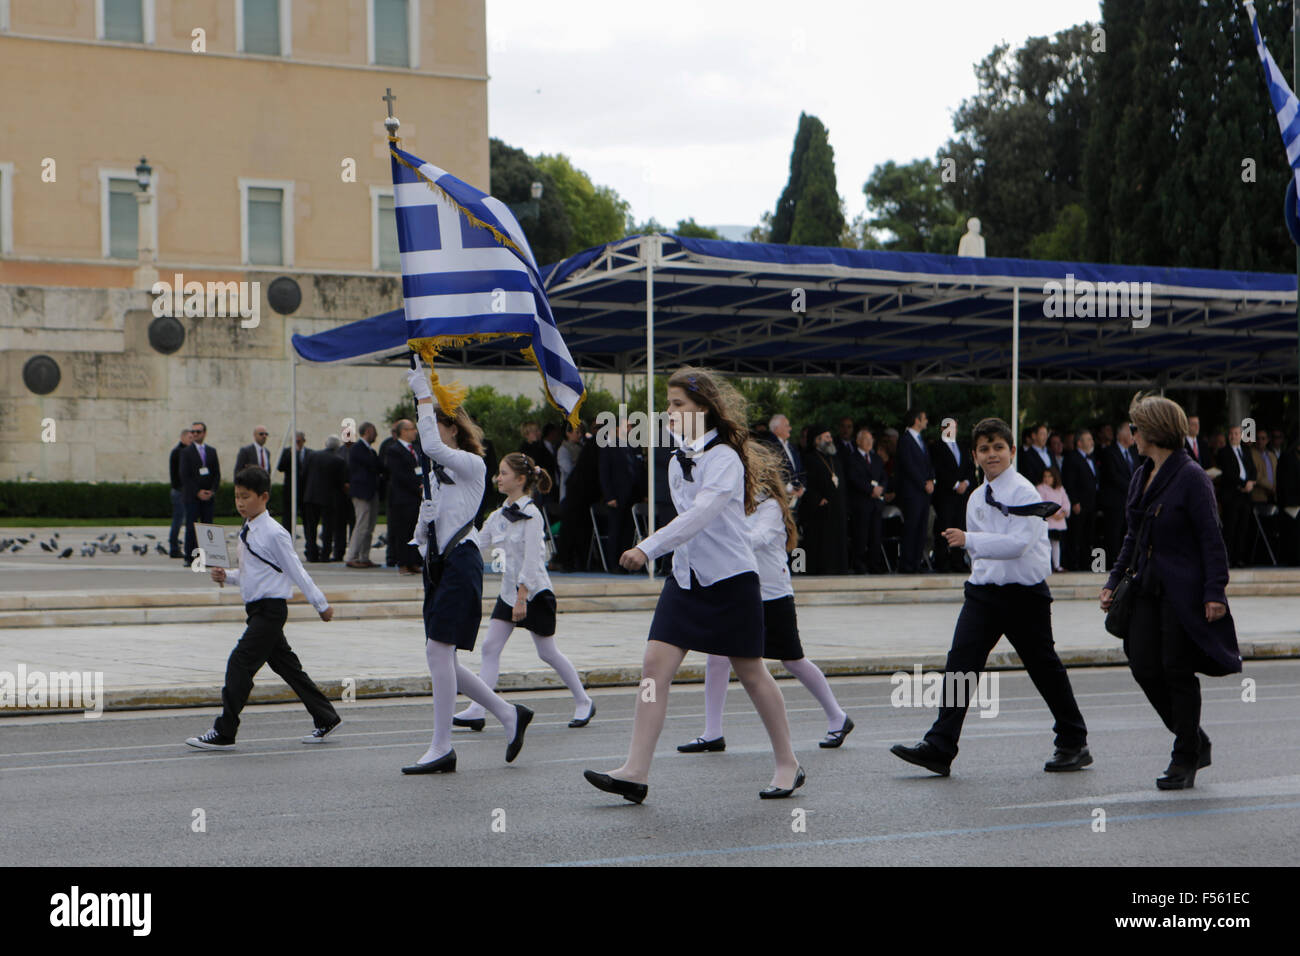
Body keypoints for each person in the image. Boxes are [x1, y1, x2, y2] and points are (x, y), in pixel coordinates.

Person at [583, 367, 804, 803]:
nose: (670, 411)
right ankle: (635, 770)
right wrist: (665, 554)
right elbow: (687, 523)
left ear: (703, 410)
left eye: (678, 404)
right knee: (653, 669)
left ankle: (787, 763)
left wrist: (647, 547)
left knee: (753, 673)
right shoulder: (675, 459)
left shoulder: (724, 457)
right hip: (685, 582)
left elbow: (700, 515)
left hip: (731, 581)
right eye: (668, 404)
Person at [890, 417, 1090, 776]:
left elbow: (1018, 544)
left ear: (1012, 451)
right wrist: (975, 550)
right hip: (984, 594)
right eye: (984, 448)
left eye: (998, 447)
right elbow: (980, 555)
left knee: (1044, 668)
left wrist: (970, 540)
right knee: (959, 667)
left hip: (1025, 596)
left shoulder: (1027, 493)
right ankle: (940, 745)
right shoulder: (977, 498)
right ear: (975, 455)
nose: (992, 454)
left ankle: (1073, 740)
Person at [1100, 394, 1241, 790]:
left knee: (1176, 669)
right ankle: (1194, 738)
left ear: (1155, 431)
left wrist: (1215, 592)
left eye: (1136, 427)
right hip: (1145, 587)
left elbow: (1212, 539)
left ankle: (1184, 755)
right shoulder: (1141, 473)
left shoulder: (1192, 477)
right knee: (1142, 663)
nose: (1132, 433)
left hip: (1183, 593)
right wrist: (1113, 581)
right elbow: (1133, 535)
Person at [400, 358, 533, 774]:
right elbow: (427, 527)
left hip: (462, 562)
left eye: (436, 423)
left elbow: (432, 446)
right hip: (438, 565)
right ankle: (509, 714)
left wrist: (424, 393)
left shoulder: (473, 465)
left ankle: (442, 747)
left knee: (438, 651)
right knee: (442, 657)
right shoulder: (436, 474)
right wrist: (423, 523)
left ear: (453, 428)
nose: (428, 433)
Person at [679, 446, 853, 752]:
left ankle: (838, 716)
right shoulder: (739, 506)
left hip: (773, 596)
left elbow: (755, 540)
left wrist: (723, 528)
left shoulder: (771, 507)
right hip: (740, 592)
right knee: (717, 657)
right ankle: (712, 732)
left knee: (792, 660)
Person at [185, 466, 340, 750]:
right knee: (289, 668)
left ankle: (225, 731)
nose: (240, 503)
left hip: (270, 611)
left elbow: (296, 570)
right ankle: (326, 716)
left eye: (246, 497)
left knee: (239, 663)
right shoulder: (248, 530)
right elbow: (251, 575)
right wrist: (227, 576)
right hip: (257, 610)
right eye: (236, 497)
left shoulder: (273, 532)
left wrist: (321, 604)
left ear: (264, 496)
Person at [453, 453, 595, 730]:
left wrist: (522, 598)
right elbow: (477, 545)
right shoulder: (498, 516)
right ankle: (477, 708)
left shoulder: (531, 515)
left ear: (520, 480)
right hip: (508, 593)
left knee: (547, 653)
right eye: (499, 472)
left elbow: (533, 561)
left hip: (535, 594)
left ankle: (584, 701)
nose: (498, 477)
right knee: (490, 647)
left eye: (504, 473)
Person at [800, 424, 848, 574]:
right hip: (820, 509)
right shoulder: (809, 459)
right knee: (821, 542)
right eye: (827, 437)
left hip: (837, 508)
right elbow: (806, 482)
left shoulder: (835, 459)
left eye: (830, 436)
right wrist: (817, 499)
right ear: (817, 440)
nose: (830, 439)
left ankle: (839, 568)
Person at [931, 418, 975, 573]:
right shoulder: (937, 447)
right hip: (946, 495)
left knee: (960, 526)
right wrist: (955, 484)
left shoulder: (962, 447)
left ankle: (957, 560)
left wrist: (966, 483)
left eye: (954, 427)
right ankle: (941, 561)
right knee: (944, 527)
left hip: (962, 496)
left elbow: (970, 467)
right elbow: (938, 469)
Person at [597, 421, 643, 571]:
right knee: (615, 530)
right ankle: (613, 563)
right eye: (627, 426)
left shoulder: (632, 445)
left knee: (628, 530)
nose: (630, 429)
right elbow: (604, 473)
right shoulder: (608, 446)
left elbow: (637, 469)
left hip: (632, 496)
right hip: (616, 496)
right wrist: (609, 496)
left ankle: (625, 564)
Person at [896, 408, 935, 573]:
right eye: (924, 418)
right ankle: (907, 563)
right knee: (911, 527)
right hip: (912, 492)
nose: (926, 421)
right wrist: (922, 483)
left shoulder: (920, 440)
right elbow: (908, 466)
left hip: (924, 493)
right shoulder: (905, 440)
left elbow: (928, 463)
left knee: (921, 528)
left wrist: (931, 479)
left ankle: (916, 561)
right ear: (917, 420)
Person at [845, 424, 888, 574]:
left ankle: (874, 564)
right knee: (861, 536)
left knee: (876, 536)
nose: (870, 442)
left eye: (871, 439)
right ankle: (859, 564)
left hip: (876, 503)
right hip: (861, 503)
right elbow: (854, 478)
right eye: (866, 439)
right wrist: (871, 490)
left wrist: (881, 488)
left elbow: (883, 476)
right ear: (858, 441)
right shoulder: (852, 458)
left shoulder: (876, 458)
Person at [384, 419, 423, 573]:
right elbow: (399, 474)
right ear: (403, 432)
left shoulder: (417, 449)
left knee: (415, 529)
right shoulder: (394, 450)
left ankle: (414, 561)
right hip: (402, 497)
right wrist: (416, 486)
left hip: (415, 497)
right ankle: (403, 562)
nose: (415, 431)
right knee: (403, 531)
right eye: (412, 429)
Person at [179, 421, 221, 568]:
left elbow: (216, 473)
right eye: (193, 431)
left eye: (198, 431)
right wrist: (198, 492)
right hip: (192, 496)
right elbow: (185, 476)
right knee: (191, 526)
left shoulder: (211, 451)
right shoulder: (186, 452)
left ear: (204, 433)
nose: (195, 434)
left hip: (208, 496)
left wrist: (212, 490)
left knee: (207, 526)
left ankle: (208, 556)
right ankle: (190, 557)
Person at [1100, 421, 1140, 569]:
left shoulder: (1134, 452)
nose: (1134, 437)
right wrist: (1134, 486)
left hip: (1130, 502)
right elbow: (1113, 476)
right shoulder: (1109, 452)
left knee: (1128, 534)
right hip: (1115, 503)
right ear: (1122, 435)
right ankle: (1113, 565)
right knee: (1114, 535)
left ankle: (1128, 565)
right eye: (1131, 433)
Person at [1215, 424, 1257, 567]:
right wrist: (1242, 483)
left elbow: (1252, 469)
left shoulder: (1245, 451)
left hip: (1245, 497)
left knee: (1243, 527)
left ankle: (1240, 558)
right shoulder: (1223, 452)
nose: (1234, 436)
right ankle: (1229, 558)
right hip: (1232, 495)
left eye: (1237, 433)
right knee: (1230, 527)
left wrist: (1251, 482)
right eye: (1231, 433)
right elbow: (1227, 473)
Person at [345, 422, 382, 568]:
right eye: (374, 432)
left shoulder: (371, 451)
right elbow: (372, 465)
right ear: (367, 431)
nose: (376, 435)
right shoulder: (357, 448)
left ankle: (364, 556)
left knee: (369, 526)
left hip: (371, 492)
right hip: (362, 493)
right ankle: (352, 556)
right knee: (361, 525)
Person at [1062, 428, 1100, 571]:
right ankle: (1074, 565)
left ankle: (1086, 564)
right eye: (1088, 440)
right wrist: (1074, 501)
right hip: (1079, 504)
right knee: (1076, 535)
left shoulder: (1091, 457)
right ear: (1079, 443)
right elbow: (1069, 482)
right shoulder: (1072, 457)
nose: (1092, 442)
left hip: (1091, 503)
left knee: (1088, 536)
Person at [764, 414, 805, 503]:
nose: (790, 428)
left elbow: (800, 469)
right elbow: (774, 471)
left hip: (796, 497)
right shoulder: (770, 445)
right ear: (776, 428)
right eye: (786, 426)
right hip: (781, 497)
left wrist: (801, 487)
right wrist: (789, 489)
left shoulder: (791, 447)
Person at [1037, 466, 1070, 573]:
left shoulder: (1060, 489)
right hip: (1047, 521)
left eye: (1049, 476)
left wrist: (1064, 512)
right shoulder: (1040, 488)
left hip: (1058, 522)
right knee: (1045, 545)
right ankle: (1046, 565)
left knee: (1056, 544)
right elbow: (1041, 503)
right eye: (1045, 476)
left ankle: (1057, 565)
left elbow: (1065, 502)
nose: (1047, 479)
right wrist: (1052, 513)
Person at [276, 431, 308, 536]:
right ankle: (287, 535)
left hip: (305, 490)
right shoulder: (286, 452)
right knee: (288, 516)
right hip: (290, 489)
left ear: (304, 441)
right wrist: (291, 453)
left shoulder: (309, 453)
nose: (297, 443)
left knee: (307, 516)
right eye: (295, 441)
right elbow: (280, 467)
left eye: (299, 441)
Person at [168, 427, 193, 558]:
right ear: (182, 438)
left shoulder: (184, 452)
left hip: (183, 491)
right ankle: (173, 547)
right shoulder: (179, 452)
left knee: (181, 519)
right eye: (190, 437)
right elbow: (179, 475)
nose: (192, 440)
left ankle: (176, 546)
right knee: (178, 519)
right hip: (180, 492)